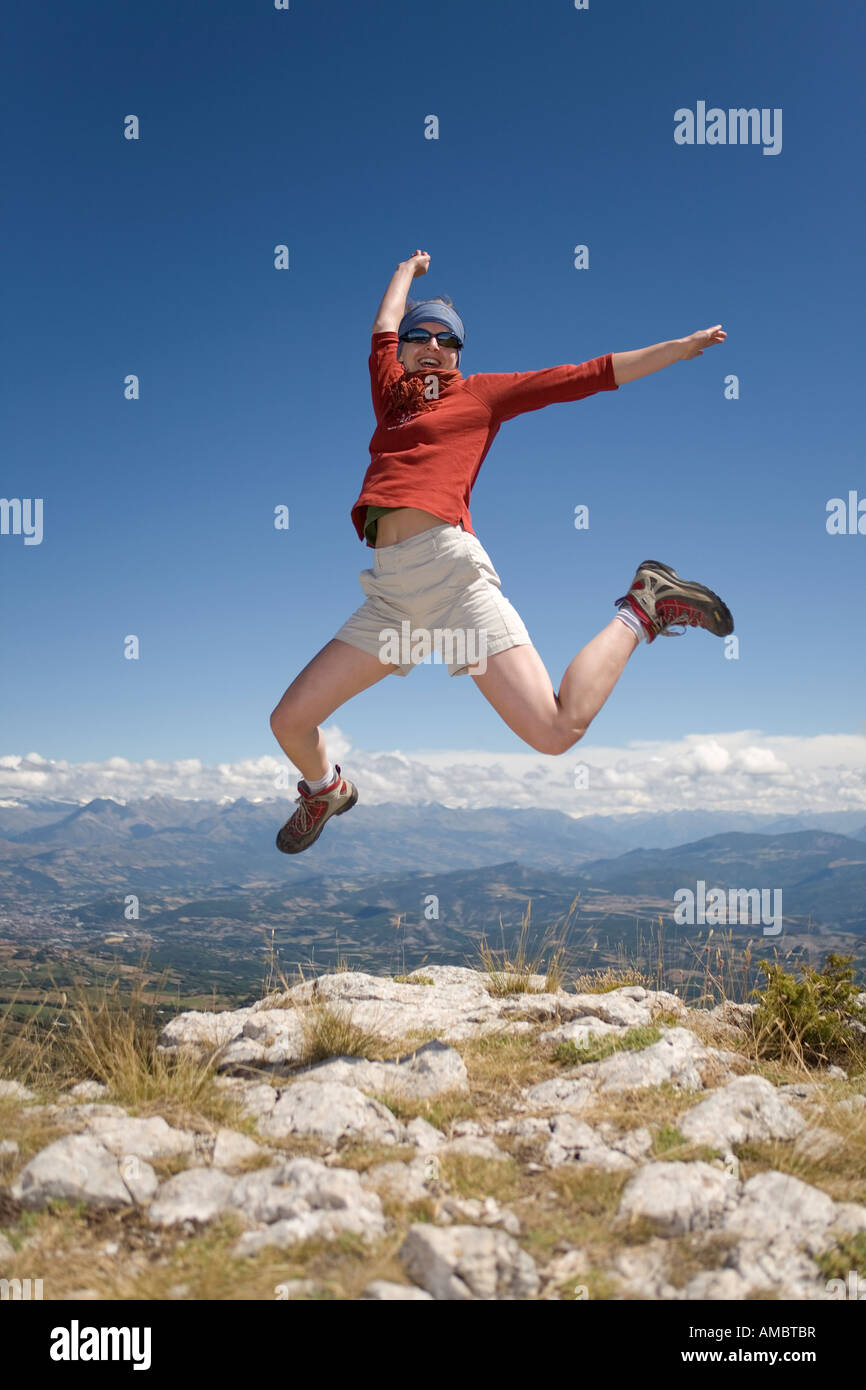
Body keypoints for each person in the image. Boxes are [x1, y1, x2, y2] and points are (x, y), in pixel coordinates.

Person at [269, 249, 733, 854]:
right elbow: (382, 323)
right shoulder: (391, 395)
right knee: (289, 722)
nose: (433, 346)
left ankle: (644, 606)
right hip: (393, 607)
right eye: (421, 336)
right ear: (403, 349)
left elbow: (582, 376)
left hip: (456, 583)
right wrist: (408, 270)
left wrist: (674, 348)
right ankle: (325, 789)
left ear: (460, 354)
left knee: (556, 729)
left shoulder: (482, 397)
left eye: (448, 340)